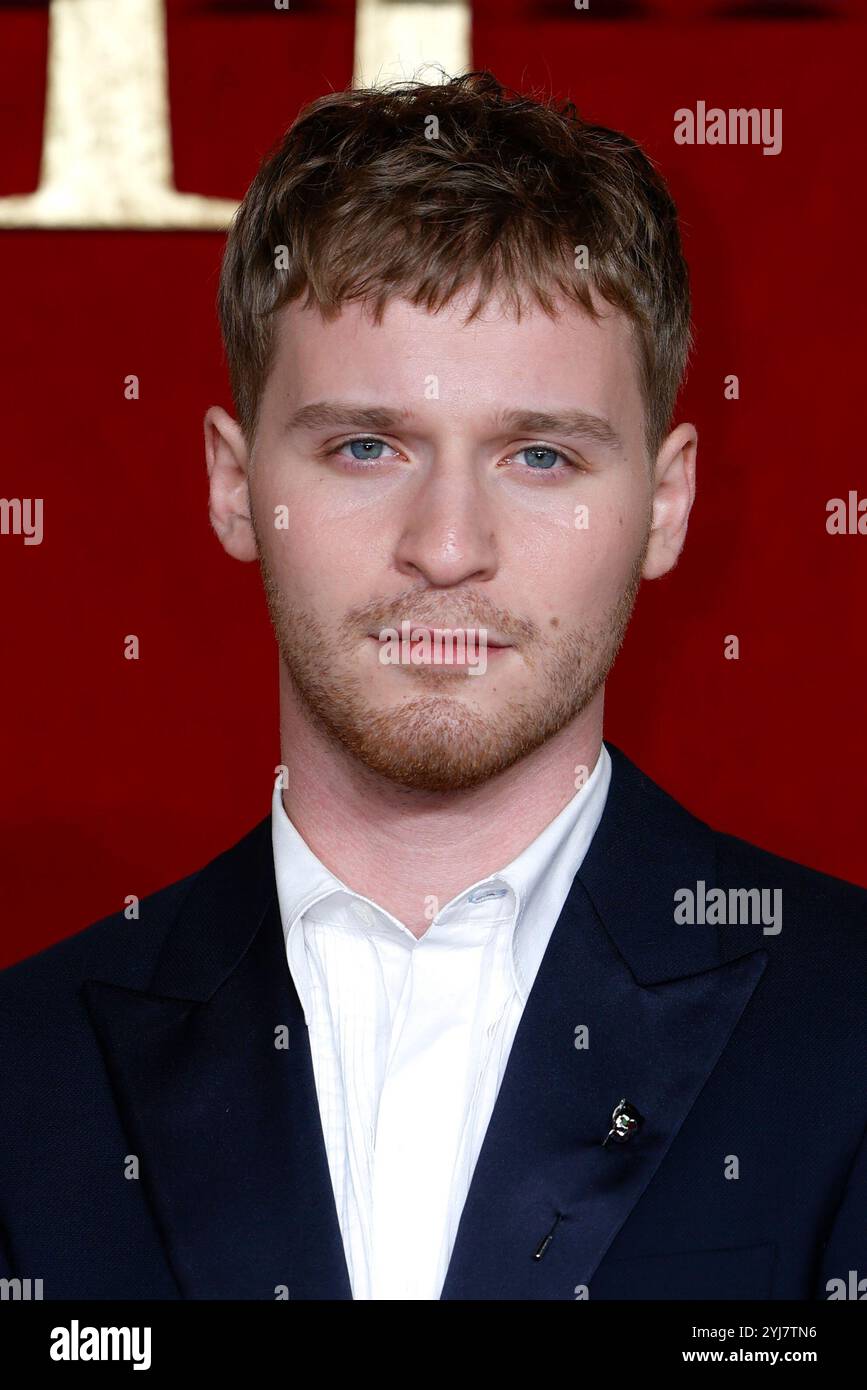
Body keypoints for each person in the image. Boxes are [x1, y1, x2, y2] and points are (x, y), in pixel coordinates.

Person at [1, 71, 864, 1302]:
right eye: (367, 445)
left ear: (664, 505)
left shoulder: (850, 1032)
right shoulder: (26, 1076)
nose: (448, 544)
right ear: (234, 485)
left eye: (540, 453)